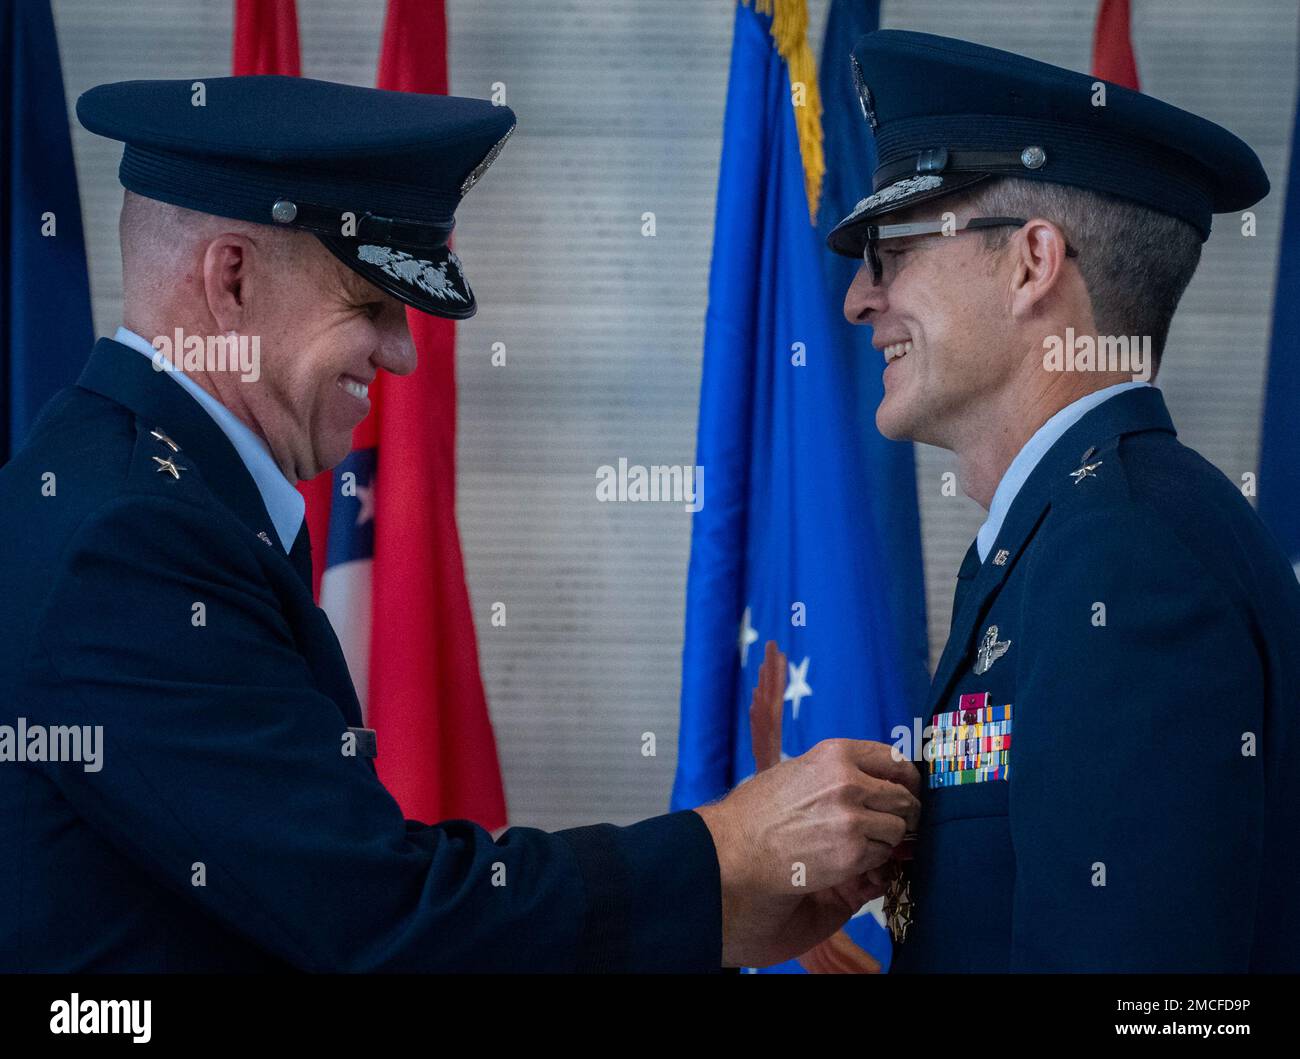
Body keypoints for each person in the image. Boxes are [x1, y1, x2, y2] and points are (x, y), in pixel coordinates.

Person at [0, 75, 920, 972]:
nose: (400, 353)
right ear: (231, 281)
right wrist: (720, 853)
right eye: (370, 303)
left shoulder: (141, 486)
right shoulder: (133, 540)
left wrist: (713, 913)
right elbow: (374, 917)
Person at [826, 30, 1300, 972]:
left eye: (889, 250)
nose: (856, 299)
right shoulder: (1066, 530)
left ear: (1031, 263)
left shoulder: (1127, 558)